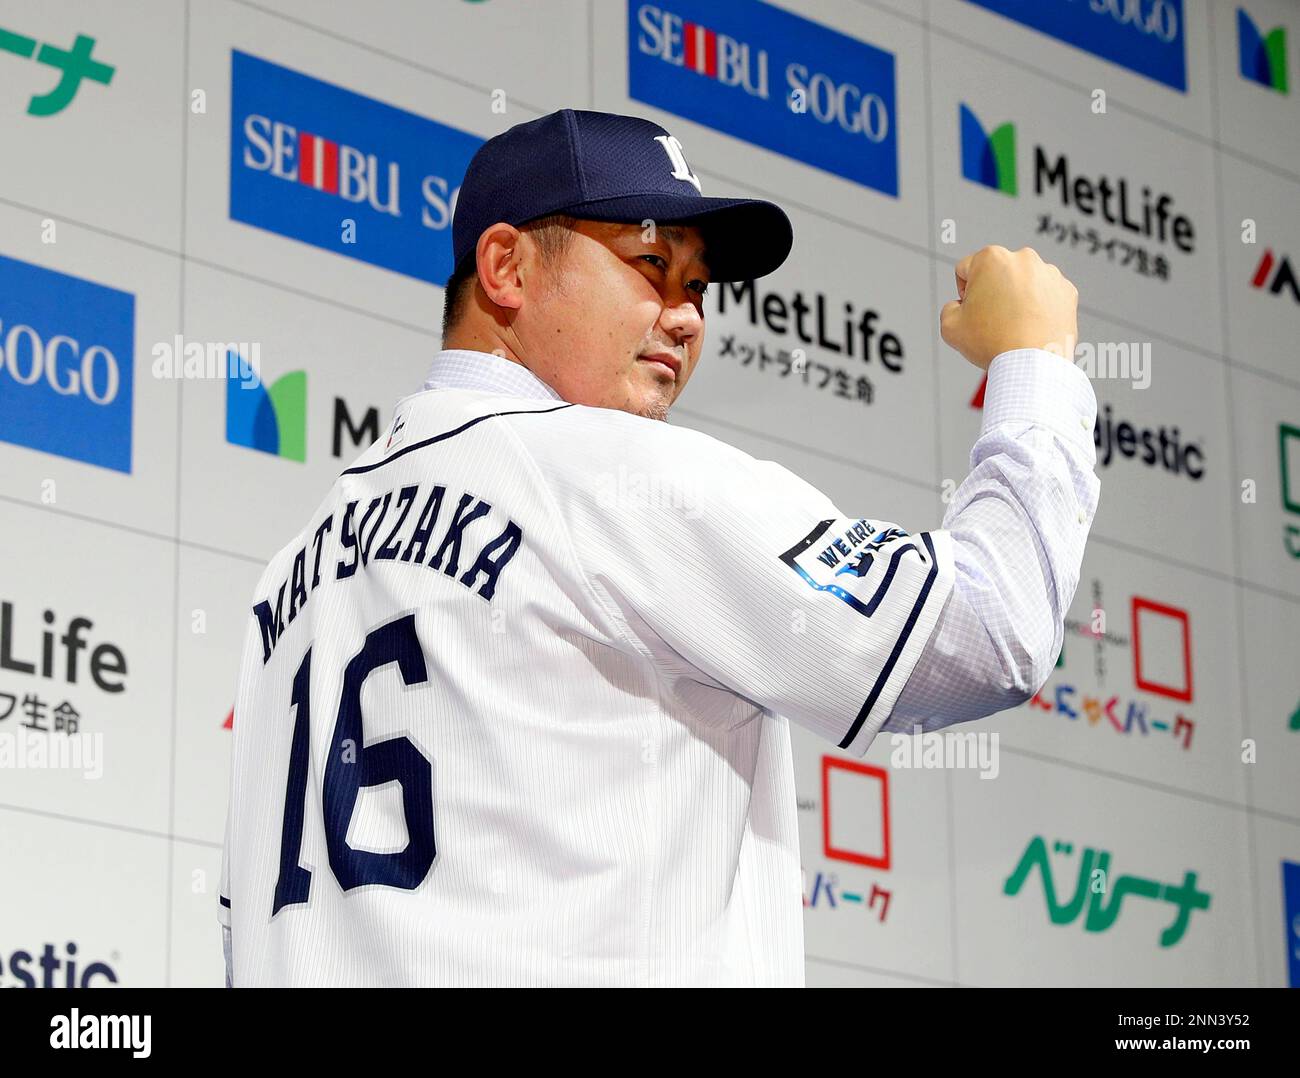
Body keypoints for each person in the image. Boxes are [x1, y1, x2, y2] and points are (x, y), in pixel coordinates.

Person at [219, 109, 1099, 986]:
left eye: (699, 287)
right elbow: (989, 627)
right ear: (506, 267)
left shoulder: (285, 584)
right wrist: (1036, 365)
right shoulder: (613, 472)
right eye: (650, 265)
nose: (686, 319)